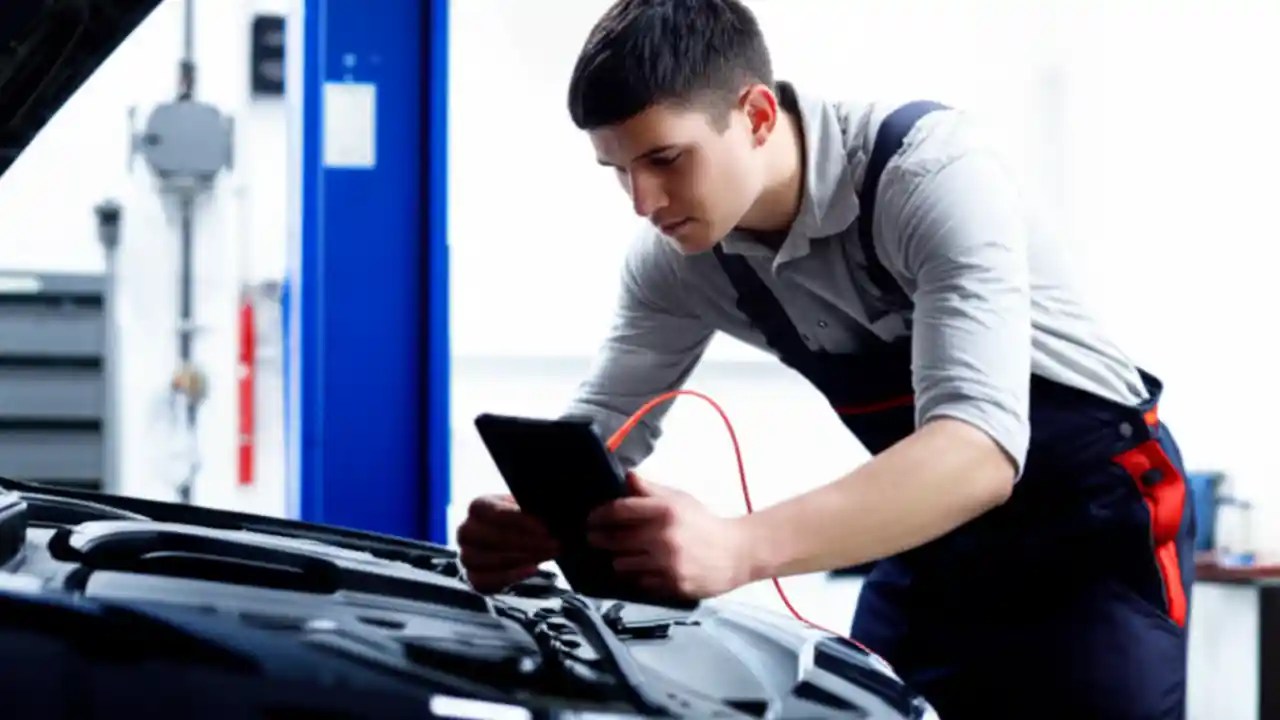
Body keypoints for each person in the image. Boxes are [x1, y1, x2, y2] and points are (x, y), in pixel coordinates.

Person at [456, 0, 1195, 716]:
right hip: (930, 537)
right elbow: (607, 424)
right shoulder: (676, 258)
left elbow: (978, 450)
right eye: (618, 171)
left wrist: (739, 546)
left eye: (665, 159)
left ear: (755, 116)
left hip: (1092, 532)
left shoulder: (932, 178)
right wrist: (536, 512)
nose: (642, 202)